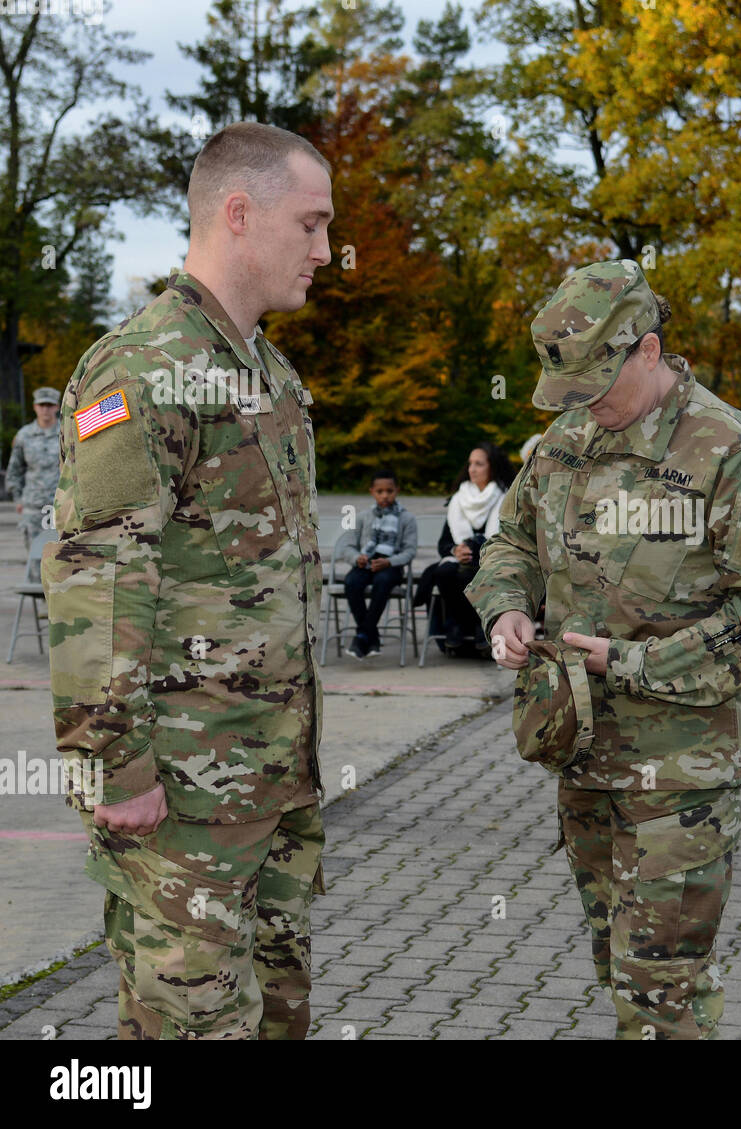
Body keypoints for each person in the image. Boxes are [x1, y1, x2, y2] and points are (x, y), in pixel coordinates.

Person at [467, 259, 741, 1039]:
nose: (584, 410)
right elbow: (510, 541)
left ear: (648, 352)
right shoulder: (564, 442)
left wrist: (631, 664)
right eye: (570, 396)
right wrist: (506, 609)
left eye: (595, 389)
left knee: (661, 992)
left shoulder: (734, 452)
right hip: (581, 757)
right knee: (617, 966)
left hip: (680, 775)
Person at [42, 121, 333, 1039]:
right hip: (180, 797)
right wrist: (117, 767)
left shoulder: (271, 375)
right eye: (313, 225)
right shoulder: (140, 368)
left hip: (271, 783)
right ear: (240, 215)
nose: (327, 252)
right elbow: (99, 580)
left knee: (277, 1017)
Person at [413, 443, 514, 657]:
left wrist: (482, 552)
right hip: (461, 563)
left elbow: (511, 539)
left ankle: (480, 627)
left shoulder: (506, 498)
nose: (472, 469)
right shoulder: (459, 500)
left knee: (472, 573)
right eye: (470, 464)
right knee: (445, 572)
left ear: (492, 467)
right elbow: (443, 544)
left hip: (493, 562)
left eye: (479, 464)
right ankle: (457, 627)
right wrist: (455, 551)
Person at [343, 468, 419, 659]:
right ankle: (371, 636)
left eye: (389, 491)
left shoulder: (407, 518)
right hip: (365, 563)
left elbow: (409, 551)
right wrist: (356, 558)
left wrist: (389, 562)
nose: (385, 495)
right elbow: (347, 546)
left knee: (383, 582)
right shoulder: (361, 517)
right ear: (372, 492)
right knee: (352, 582)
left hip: (390, 566)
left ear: (397, 491)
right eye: (380, 491)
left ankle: (362, 635)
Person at [6, 386, 62, 548]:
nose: (45, 409)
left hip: (60, 506)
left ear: (57, 407)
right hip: (32, 506)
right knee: (34, 557)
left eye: (49, 405)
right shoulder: (24, 435)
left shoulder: (66, 434)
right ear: (35, 407)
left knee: (61, 560)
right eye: (41, 405)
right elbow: (14, 470)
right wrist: (17, 499)